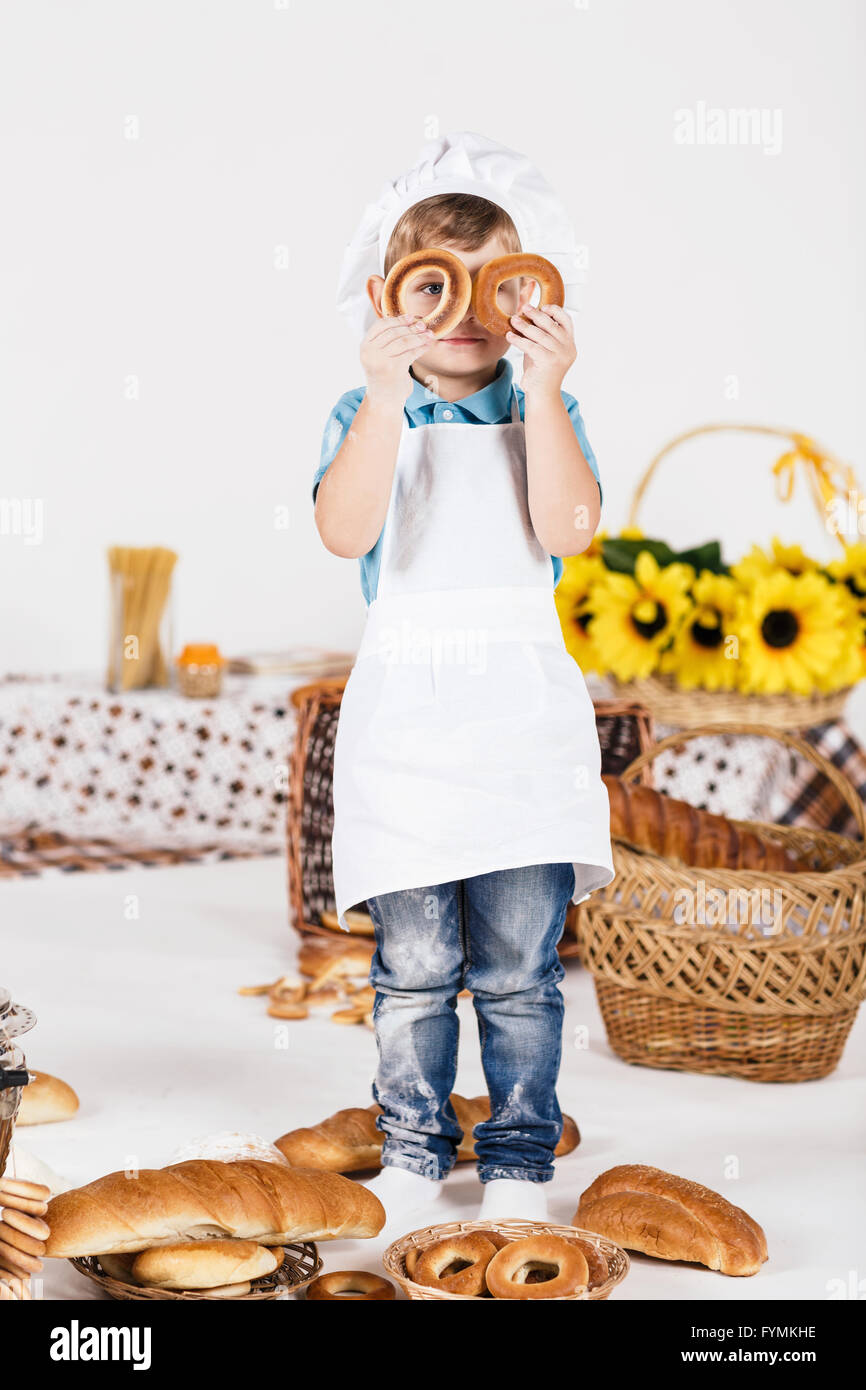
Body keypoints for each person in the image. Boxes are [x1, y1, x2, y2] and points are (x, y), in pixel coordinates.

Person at [313, 132, 614, 1229]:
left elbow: (568, 530)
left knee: (520, 967)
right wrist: (382, 393)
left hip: (518, 727)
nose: (468, 313)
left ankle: (521, 1156)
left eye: (498, 285)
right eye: (433, 290)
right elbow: (344, 529)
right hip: (410, 732)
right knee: (415, 965)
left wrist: (546, 389)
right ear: (388, 299)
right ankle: (411, 1145)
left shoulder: (543, 413)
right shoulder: (368, 418)